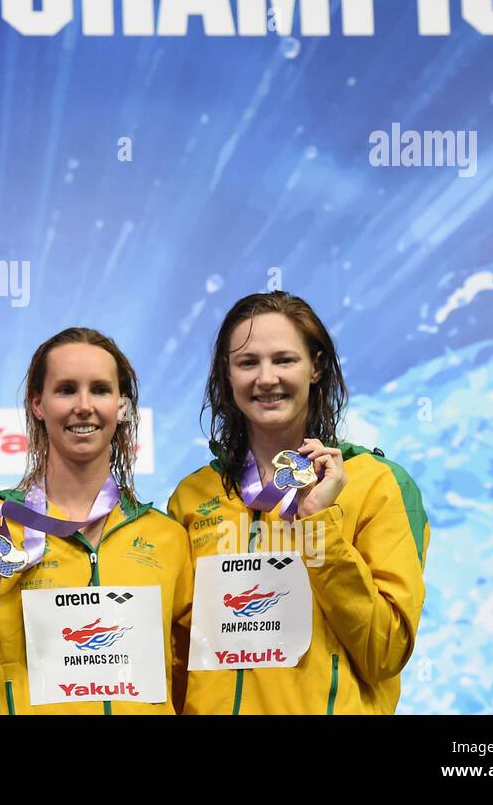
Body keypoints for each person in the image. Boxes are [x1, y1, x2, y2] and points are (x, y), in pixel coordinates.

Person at [168, 291, 429, 714]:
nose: (266, 378)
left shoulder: (378, 484)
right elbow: (175, 658)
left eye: (284, 360)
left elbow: (385, 652)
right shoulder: (192, 497)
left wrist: (319, 525)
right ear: (227, 374)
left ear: (316, 367)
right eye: (248, 362)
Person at [0, 327, 191, 715]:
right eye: (66, 390)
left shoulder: (167, 538)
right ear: (37, 405)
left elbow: (189, 689)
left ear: (122, 406)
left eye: (100, 389)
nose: (84, 405)